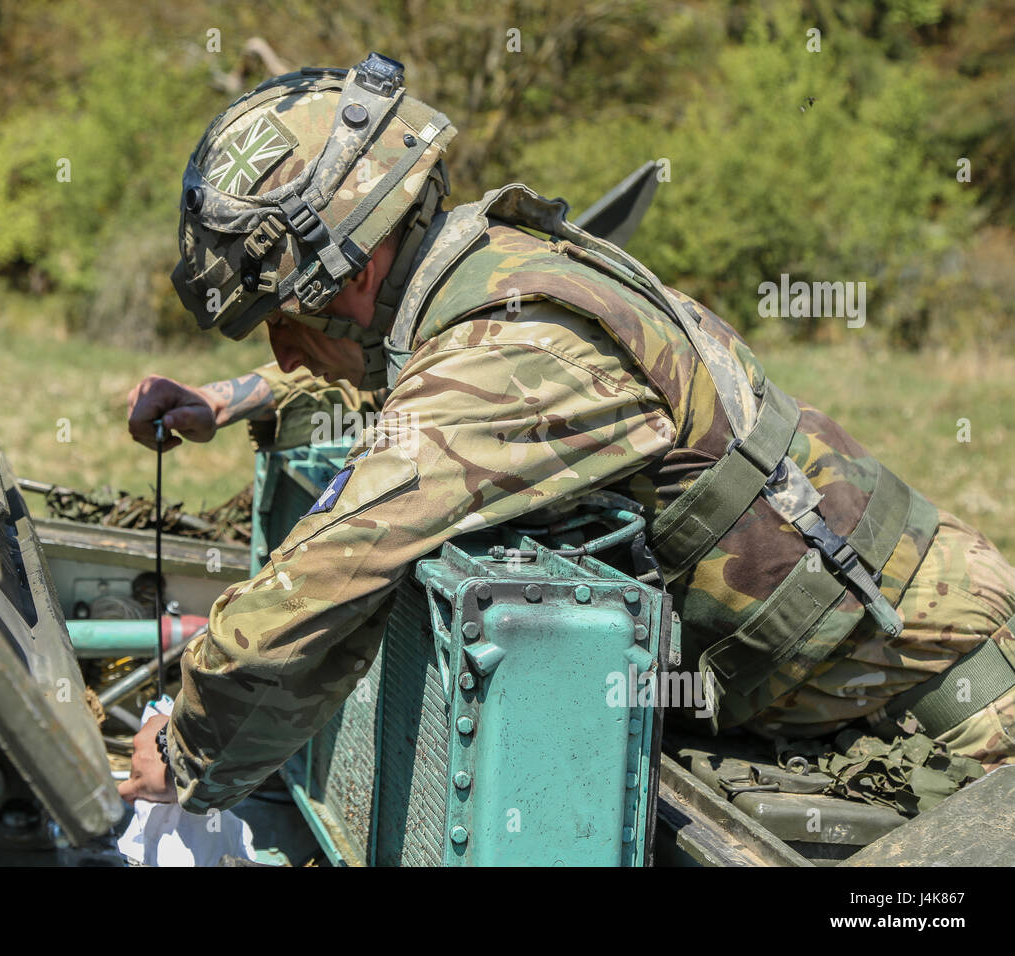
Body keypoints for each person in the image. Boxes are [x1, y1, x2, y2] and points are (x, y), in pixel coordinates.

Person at [117, 54, 1015, 814]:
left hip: (960, 722)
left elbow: (330, 569)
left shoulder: (512, 351)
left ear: (347, 273)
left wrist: (191, 748)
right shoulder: (483, 262)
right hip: (861, 680)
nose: (282, 341)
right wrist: (233, 398)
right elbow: (397, 379)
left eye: (280, 313)